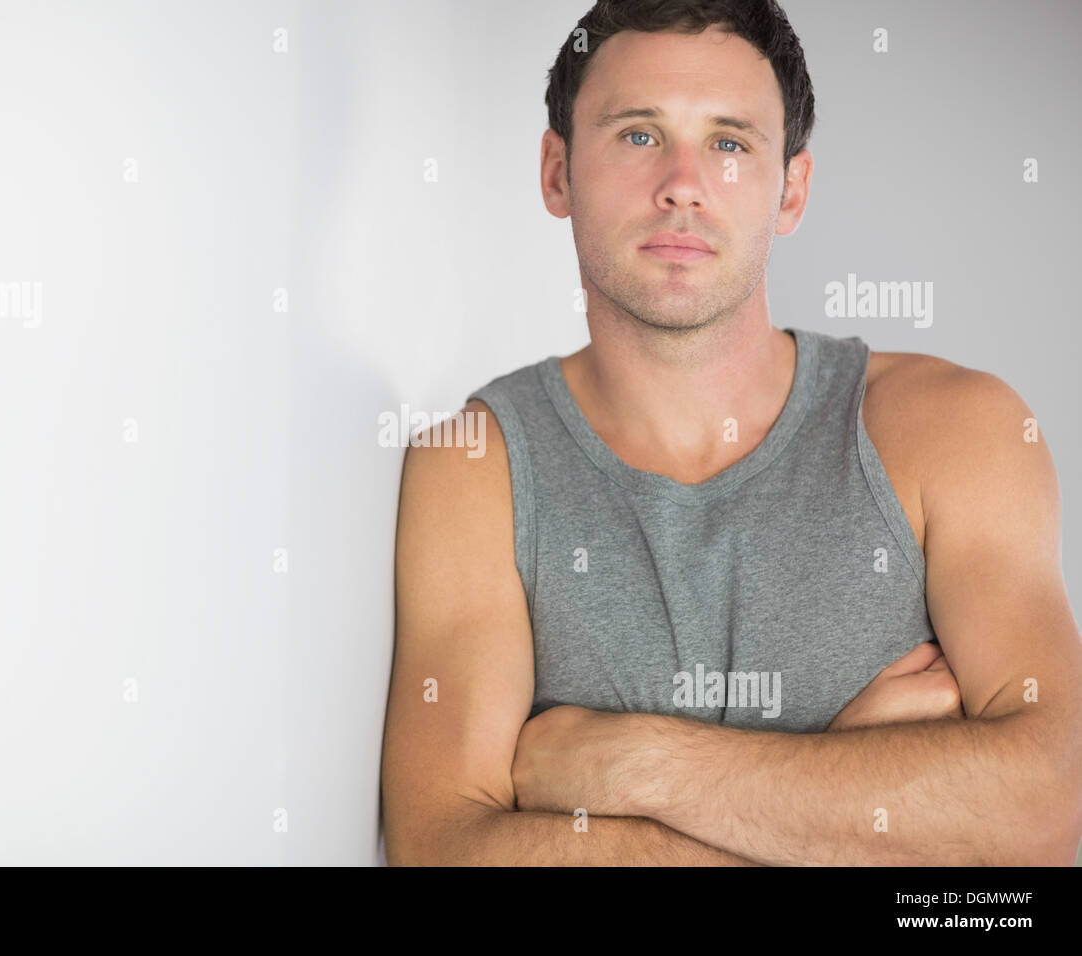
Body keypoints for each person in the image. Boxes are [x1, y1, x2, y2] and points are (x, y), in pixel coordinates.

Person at [380, 0, 1082, 865]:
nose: (683, 182)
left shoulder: (953, 429)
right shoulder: (477, 467)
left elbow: (1049, 807)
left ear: (791, 190)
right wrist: (847, 803)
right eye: (638, 135)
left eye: (729, 142)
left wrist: (632, 767)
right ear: (557, 172)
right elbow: (444, 847)